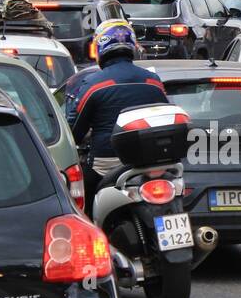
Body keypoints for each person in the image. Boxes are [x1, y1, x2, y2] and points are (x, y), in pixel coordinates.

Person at [67, 18, 169, 209]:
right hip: (149, 163)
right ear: (132, 46)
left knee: (77, 203)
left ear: (100, 47)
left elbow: (73, 131)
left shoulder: (93, 84)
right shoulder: (153, 80)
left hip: (105, 165)